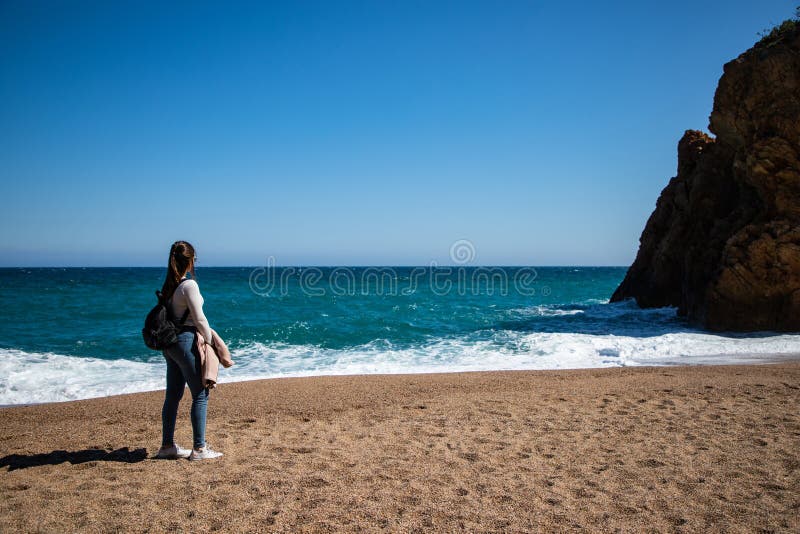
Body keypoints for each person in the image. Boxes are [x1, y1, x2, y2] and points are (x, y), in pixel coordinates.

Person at [155, 240, 223, 461]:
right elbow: (199, 318)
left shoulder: (170, 286)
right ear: (191, 260)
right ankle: (199, 448)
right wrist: (212, 342)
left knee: (173, 395)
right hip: (185, 341)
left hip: (171, 344)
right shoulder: (189, 286)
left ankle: (167, 446)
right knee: (200, 394)